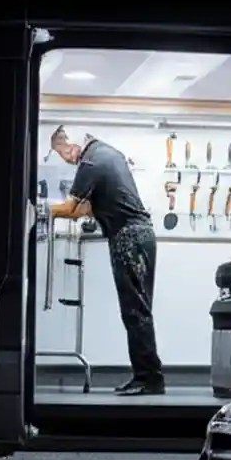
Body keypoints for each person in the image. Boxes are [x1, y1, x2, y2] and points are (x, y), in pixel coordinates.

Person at [49, 126, 165, 396]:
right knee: (137, 310)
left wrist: (34, 207)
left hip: (129, 237)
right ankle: (146, 375)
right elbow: (83, 209)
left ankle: (149, 379)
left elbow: (69, 208)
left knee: (135, 311)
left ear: (73, 145)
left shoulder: (91, 160)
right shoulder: (107, 154)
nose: (65, 159)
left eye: (62, 151)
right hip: (137, 235)